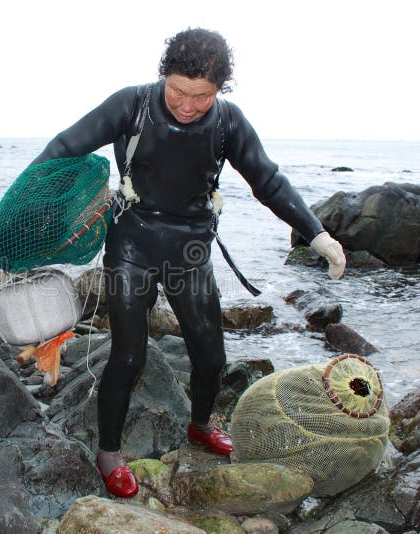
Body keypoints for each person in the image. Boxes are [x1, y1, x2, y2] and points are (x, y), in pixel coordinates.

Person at [29, 28, 346, 498]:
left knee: (210, 351)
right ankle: (110, 453)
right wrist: (30, 203)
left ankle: (200, 425)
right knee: (129, 355)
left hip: (190, 249)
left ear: (220, 90)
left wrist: (316, 233)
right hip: (132, 244)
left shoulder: (228, 123)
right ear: (163, 77)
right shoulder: (131, 104)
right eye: (178, 90)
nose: (187, 104)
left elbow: (269, 180)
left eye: (202, 95)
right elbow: (62, 148)